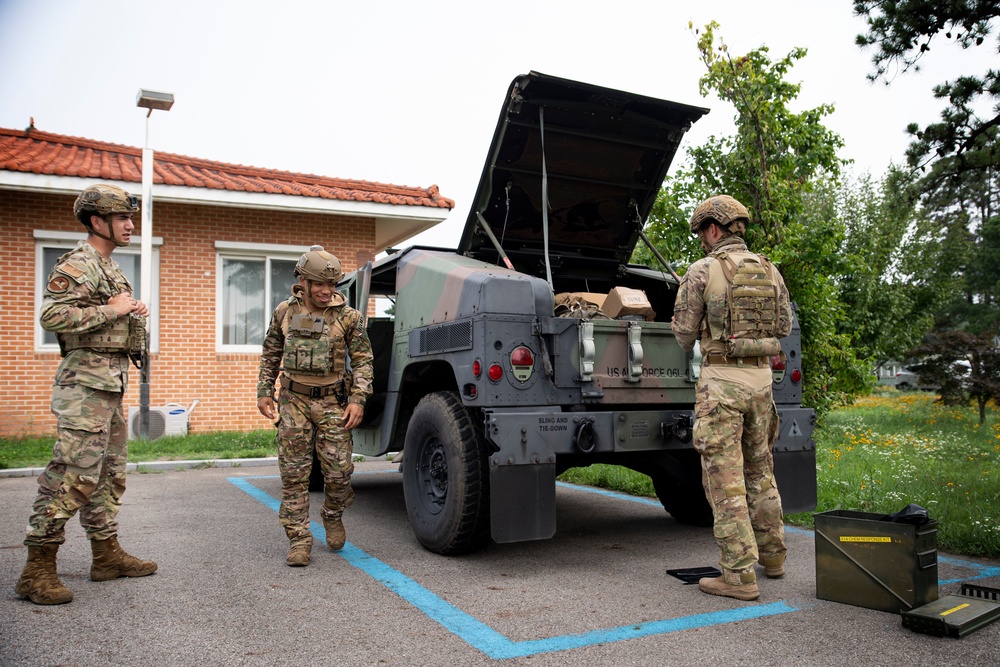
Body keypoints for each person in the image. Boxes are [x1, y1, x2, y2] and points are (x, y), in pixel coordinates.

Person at [16, 184, 157, 606]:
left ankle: (106, 556)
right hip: (84, 387)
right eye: (122, 218)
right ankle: (36, 570)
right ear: (98, 222)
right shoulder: (79, 263)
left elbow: (107, 314)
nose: (131, 224)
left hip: (109, 384)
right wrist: (115, 310)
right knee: (73, 474)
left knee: (109, 474)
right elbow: (52, 314)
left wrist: (130, 309)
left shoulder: (111, 268)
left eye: (131, 217)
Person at [670, 195, 793, 601]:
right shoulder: (770, 270)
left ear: (713, 229)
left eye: (703, 233)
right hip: (762, 384)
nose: (703, 241)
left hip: (722, 384)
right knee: (761, 471)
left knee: (725, 481)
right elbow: (785, 327)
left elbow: (684, 336)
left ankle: (738, 575)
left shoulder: (701, 271)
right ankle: (773, 558)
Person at [257, 245, 373, 567]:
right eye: (319, 284)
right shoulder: (284, 312)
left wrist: (358, 399)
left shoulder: (349, 318)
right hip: (293, 400)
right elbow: (270, 353)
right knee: (294, 475)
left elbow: (363, 362)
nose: (326, 291)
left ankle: (332, 514)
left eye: (332, 285)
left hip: (334, 402)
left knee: (338, 473)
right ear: (303, 282)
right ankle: (299, 539)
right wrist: (264, 391)